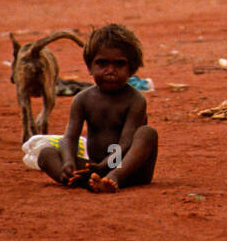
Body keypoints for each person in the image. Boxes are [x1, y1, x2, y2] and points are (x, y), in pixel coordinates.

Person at [36, 23, 157, 193]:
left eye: (119, 64)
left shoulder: (135, 100)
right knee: (46, 154)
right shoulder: (82, 100)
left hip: (128, 168)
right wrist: (68, 162)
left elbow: (125, 143)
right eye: (102, 63)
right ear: (89, 67)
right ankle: (79, 179)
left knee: (147, 133)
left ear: (132, 69)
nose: (110, 71)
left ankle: (112, 178)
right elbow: (70, 138)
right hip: (95, 167)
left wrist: (104, 167)